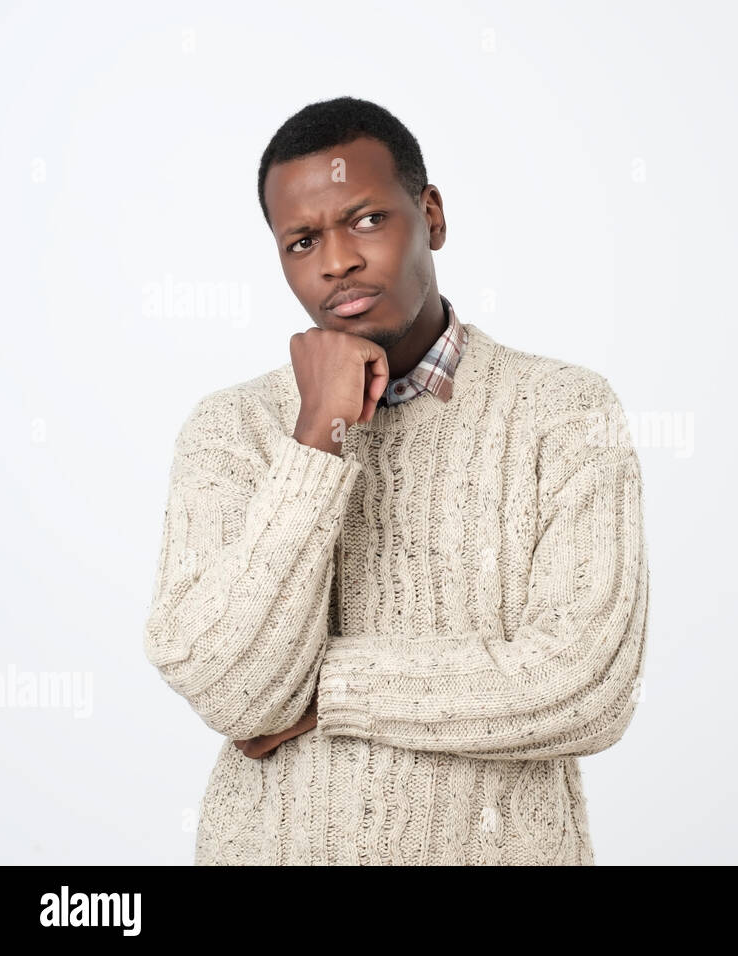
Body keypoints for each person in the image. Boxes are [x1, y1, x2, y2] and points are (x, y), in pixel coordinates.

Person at [143, 96, 649, 865]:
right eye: (302, 240)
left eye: (367, 220)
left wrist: (323, 691)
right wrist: (319, 435)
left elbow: (587, 687)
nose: (336, 260)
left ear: (432, 217)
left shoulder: (566, 411)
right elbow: (230, 693)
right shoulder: (231, 430)